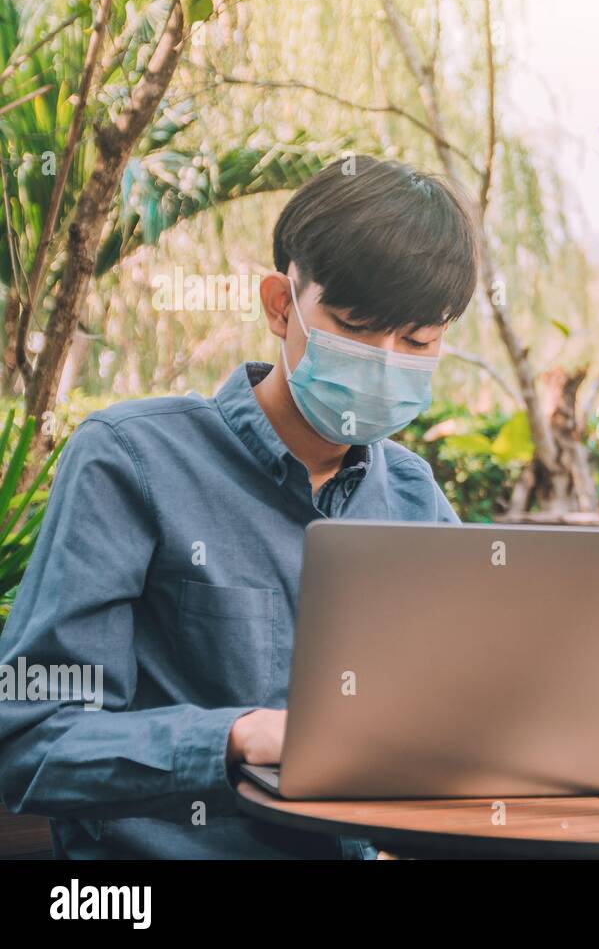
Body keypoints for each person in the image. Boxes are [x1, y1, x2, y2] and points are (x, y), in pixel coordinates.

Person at [0, 156, 479, 858]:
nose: (382, 362)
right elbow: (30, 735)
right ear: (280, 304)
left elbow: (473, 714)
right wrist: (232, 738)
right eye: (353, 327)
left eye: (416, 342)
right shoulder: (130, 460)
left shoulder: (413, 497)